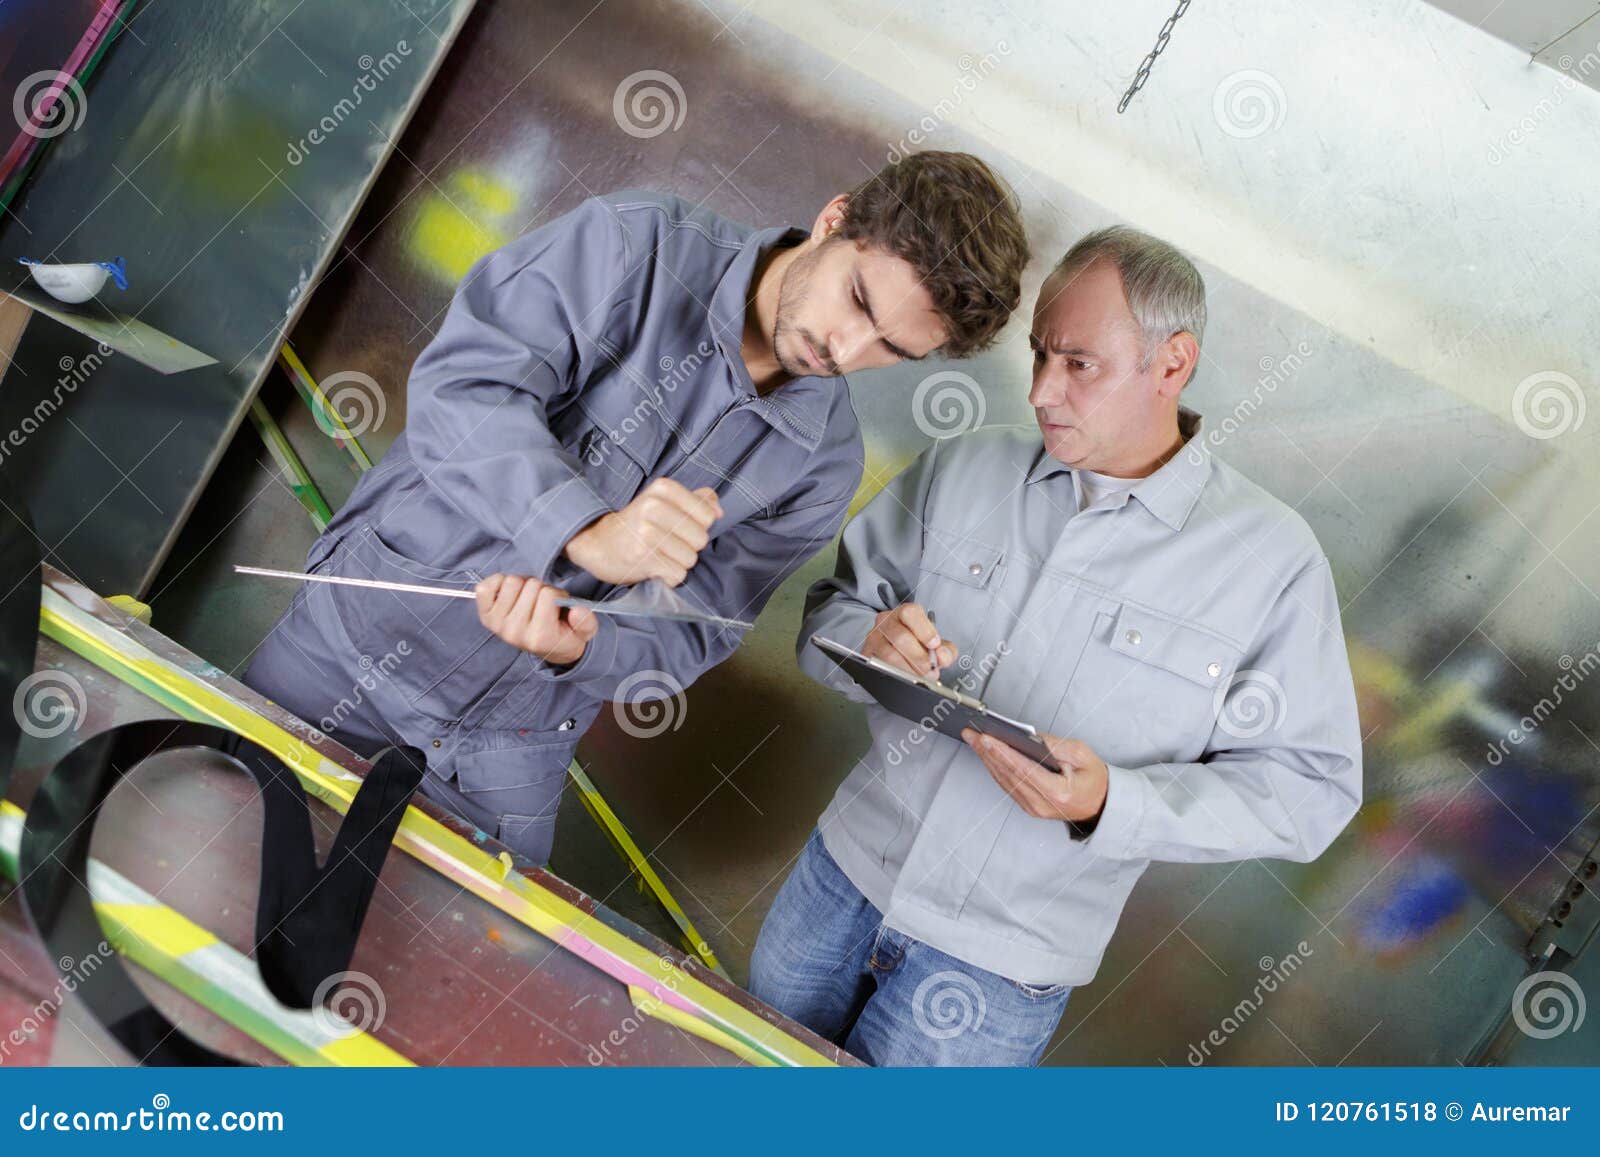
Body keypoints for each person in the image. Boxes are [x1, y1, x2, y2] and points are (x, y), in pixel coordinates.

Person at [244, 152, 1030, 866]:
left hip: (510, 752)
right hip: (353, 648)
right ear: (835, 219)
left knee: (428, 981)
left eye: (892, 349)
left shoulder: (824, 460)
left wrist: (581, 646)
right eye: (856, 300)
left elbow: (700, 629)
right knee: (206, 851)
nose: (847, 351)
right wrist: (585, 533)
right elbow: (462, 391)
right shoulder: (635, 246)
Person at [751, 225, 1363, 1066]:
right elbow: (829, 616)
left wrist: (1116, 803)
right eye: (1040, 354)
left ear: (1172, 364)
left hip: (995, 972)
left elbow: (1311, 789)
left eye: (1080, 364)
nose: (1041, 391)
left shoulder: (1271, 562)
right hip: (837, 882)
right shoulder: (965, 465)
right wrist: (872, 641)